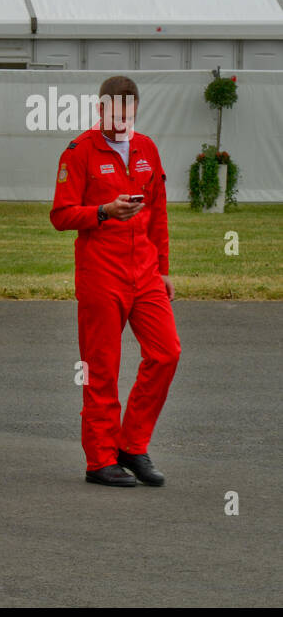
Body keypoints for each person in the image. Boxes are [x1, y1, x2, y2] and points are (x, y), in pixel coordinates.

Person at [50, 76, 179, 487]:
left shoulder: (147, 149)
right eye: (115, 114)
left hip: (144, 271)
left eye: (129, 115)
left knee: (166, 353)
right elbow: (61, 215)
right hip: (100, 272)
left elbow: (157, 212)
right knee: (101, 368)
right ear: (100, 110)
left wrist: (163, 267)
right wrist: (102, 211)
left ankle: (132, 444)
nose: (122, 122)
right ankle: (100, 459)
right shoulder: (79, 152)